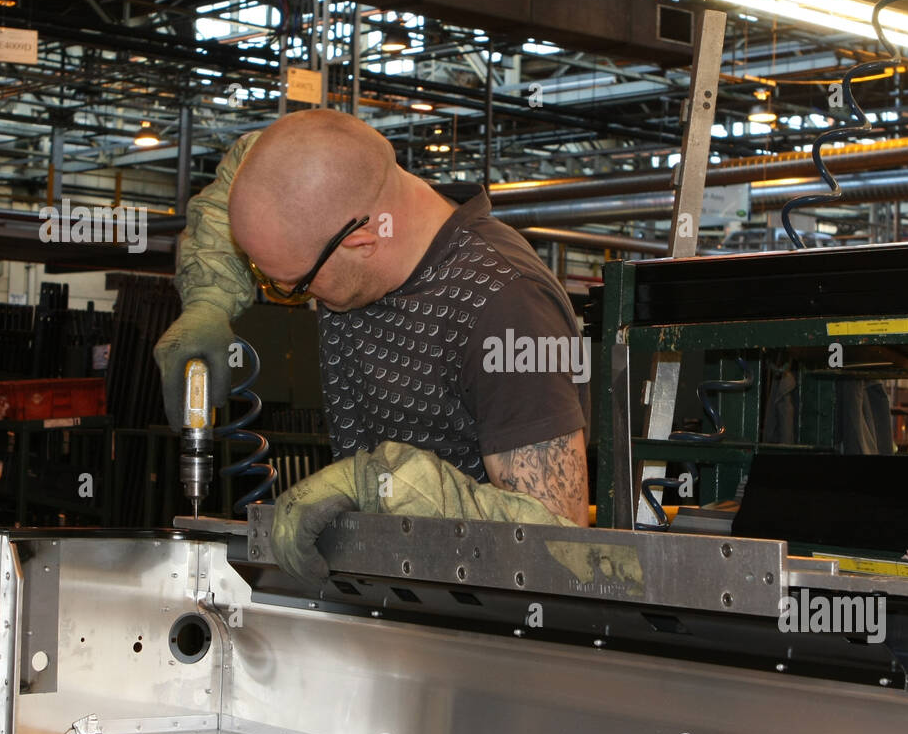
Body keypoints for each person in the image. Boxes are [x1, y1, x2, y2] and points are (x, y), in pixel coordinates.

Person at [153, 109, 590, 577]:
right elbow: (255, 170)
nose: (289, 297)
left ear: (361, 240)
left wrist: (380, 482)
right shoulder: (334, 188)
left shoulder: (506, 311)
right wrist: (209, 299)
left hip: (466, 620)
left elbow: (558, 547)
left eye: (293, 286)